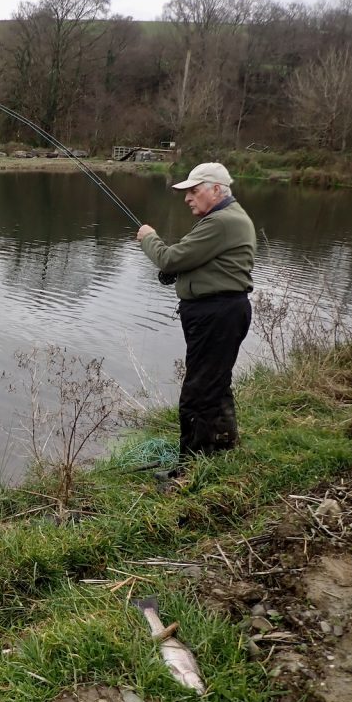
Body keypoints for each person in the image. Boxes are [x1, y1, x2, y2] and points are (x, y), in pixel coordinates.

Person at [136, 162, 256, 477]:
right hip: (219, 314)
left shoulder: (222, 222)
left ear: (216, 189)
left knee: (197, 393)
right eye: (186, 192)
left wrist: (149, 237)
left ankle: (188, 471)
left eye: (194, 190)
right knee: (215, 384)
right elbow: (191, 263)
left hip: (218, 315)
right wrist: (173, 274)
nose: (188, 198)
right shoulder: (221, 219)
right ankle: (224, 444)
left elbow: (170, 258)